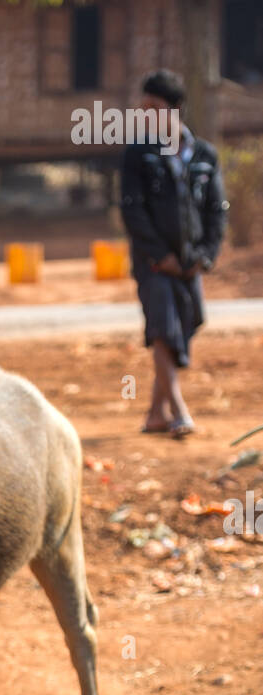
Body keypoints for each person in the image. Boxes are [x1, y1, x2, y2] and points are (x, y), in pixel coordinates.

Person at [120, 69, 229, 437]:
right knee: (165, 330)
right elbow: (132, 210)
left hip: (190, 261)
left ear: (176, 109)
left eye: (154, 106)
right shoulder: (138, 155)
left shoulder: (204, 155)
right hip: (154, 262)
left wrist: (205, 256)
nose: (146, 113)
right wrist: (158, 255)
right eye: (144, 106)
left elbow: (216, 210)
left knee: (184, 326)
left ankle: (155, 413)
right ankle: (179, 411)